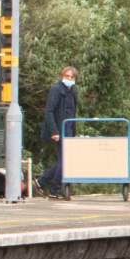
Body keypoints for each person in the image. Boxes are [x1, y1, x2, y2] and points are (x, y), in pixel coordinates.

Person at [41, 65, 79, 199]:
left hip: (68, 130)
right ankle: (54, 188)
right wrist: (54, 131)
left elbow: (72, 113)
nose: (69, 79)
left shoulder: (73, 91)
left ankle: (43, 181)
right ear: (62, 76)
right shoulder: (56, 90)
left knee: (65, 160)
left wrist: (74, 132)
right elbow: (49, 111)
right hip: (58, 130)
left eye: (72, 77)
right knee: (65, 160)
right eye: (67, 76)